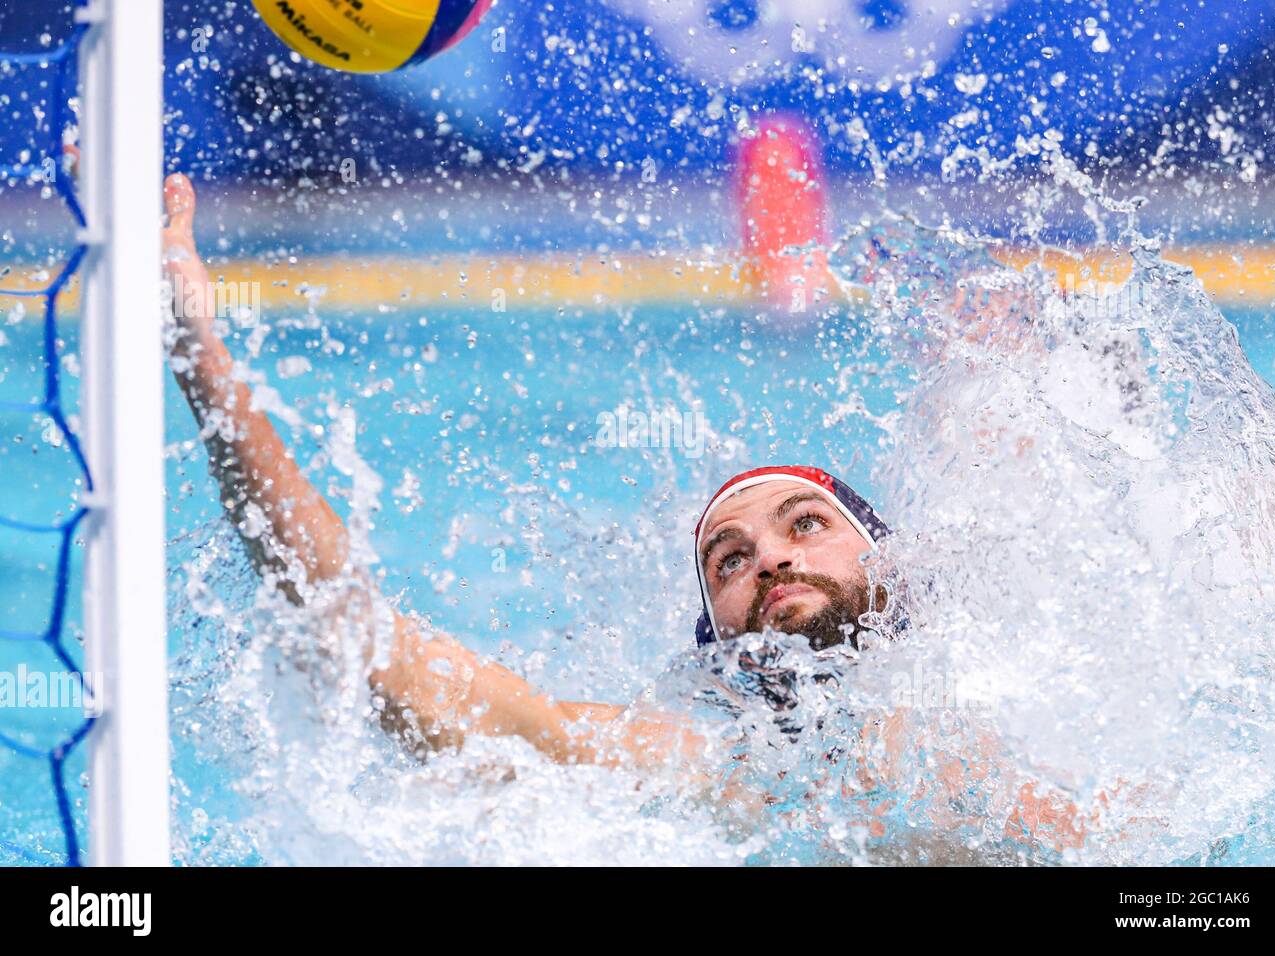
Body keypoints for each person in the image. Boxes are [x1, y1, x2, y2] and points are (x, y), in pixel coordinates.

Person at [162, 172, 1089, 851]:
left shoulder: (1057, 685)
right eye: (729, 560)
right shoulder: (716, 770)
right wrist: (200, 356)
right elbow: (365, 644)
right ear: (714, 639)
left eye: (805, 524)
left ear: (890, 562)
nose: (766, 557)